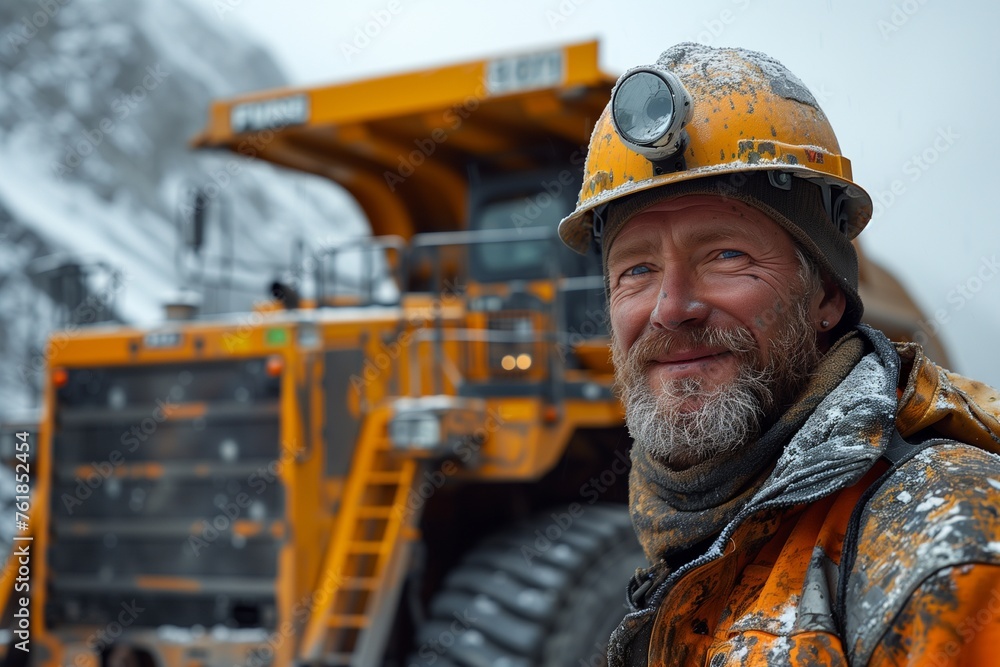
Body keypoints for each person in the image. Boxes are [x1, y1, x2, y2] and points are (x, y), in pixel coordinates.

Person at [558, 42, 1000, 666]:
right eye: (636, 270)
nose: (671, 307)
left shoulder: (945, 545)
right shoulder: (691, 529)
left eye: (725, 255)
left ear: (827, 295)